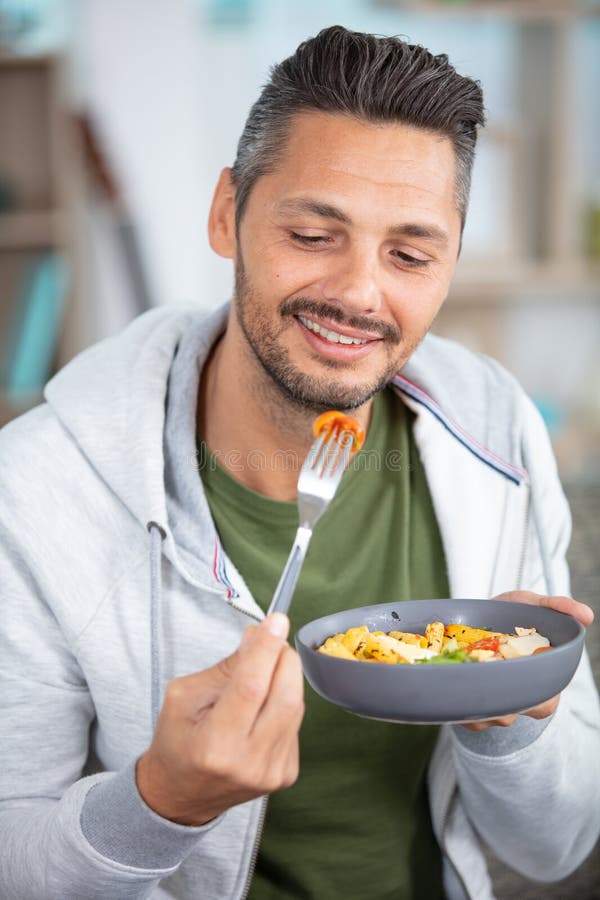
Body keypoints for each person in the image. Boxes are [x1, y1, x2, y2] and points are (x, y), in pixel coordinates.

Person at [0, 24, 599, 900]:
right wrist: (160, 803)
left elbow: (559, 848)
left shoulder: (495, 428)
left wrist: (512, 719)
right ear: (225, 213)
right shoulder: (36, 486)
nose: (360, 293)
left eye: (410, 254)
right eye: (314, 234)